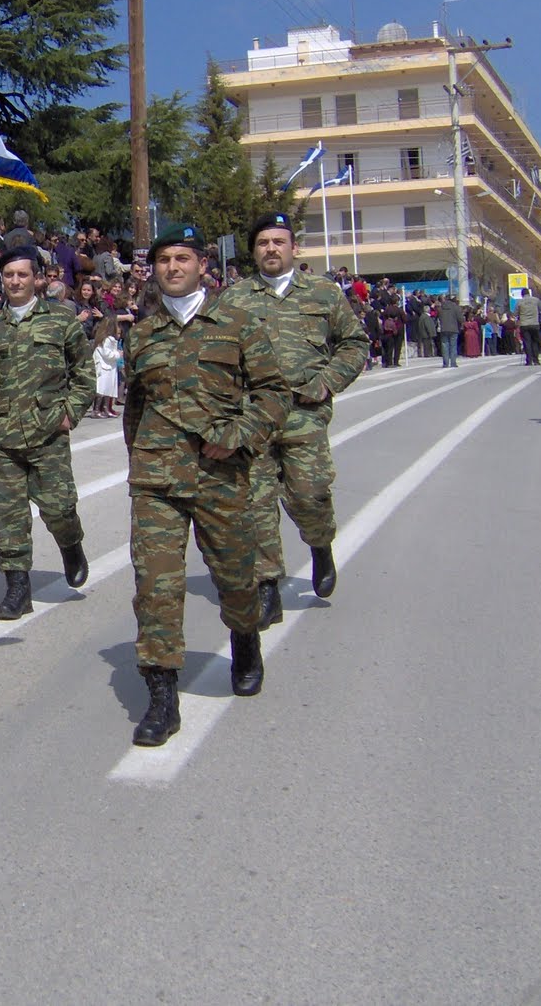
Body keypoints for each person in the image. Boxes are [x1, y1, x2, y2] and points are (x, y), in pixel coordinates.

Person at [122, 225, 291, 746]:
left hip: (223, 475)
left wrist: (240, 436)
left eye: (183, 258)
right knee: (156, 587)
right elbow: (135, 407)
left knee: (237, 578)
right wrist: (142, 456)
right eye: (164, 260)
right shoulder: (142, 334)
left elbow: (274, 392)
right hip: (158, 480)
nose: (173, 267)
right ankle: (162, 695)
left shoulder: (237, 323)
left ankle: (245, 640)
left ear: (202, 265)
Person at [227, 212, 368, 627]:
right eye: (263, 243)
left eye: (278, 241)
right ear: (254, 252)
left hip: (303, 413)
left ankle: (320, 543)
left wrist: (327, 382)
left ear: (293, 248)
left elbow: (355, 343)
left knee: (308, 494)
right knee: (255, 503)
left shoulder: (323, 294)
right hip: (253, 418)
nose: (271, 248)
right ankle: (267, 584)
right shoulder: (235, 300)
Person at [0, 244, 94, 619]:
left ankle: (70, 543)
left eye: (23, 274)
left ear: (38, 279)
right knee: (7, 514)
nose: (16, 281)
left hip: (48, 433)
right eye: (9, 275)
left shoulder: (61, 321)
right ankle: (17, 587)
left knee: (59, 507)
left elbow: (84, 374)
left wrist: (70, 414)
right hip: (5, 439)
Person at [90, 320, 120, 418]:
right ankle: (96, 410)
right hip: (104, 367)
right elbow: (107, 354)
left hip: (109, 367)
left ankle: (105, 409)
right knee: (101, 389)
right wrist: (118, 354)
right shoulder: (106, 340)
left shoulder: (109, 339)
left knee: (108, 388)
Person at [516, 289, 541, 366]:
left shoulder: (519, 302)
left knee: (527, 342)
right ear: (529, 293)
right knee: (535, 341)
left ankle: (529, 360)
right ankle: (536, 360)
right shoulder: (536, 300)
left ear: (522, 294)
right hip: (534, 323)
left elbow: (515, 313)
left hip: (524, 324)